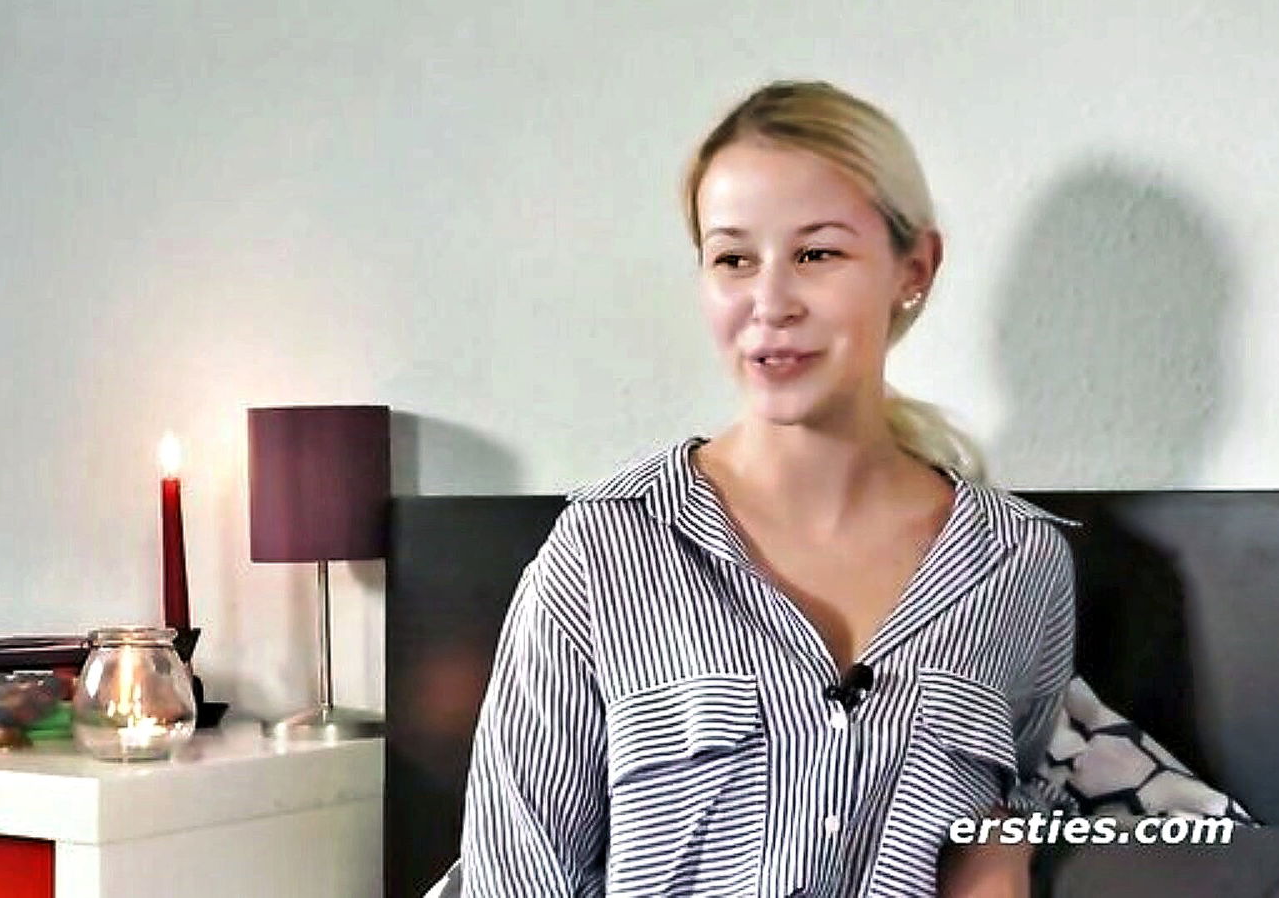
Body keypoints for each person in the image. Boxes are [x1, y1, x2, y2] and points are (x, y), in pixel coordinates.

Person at [449, 80, 1078, 897]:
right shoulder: (602, 552)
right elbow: (516, 876)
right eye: (734, 259)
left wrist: (1003, 847)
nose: (770, 304)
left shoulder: (1020, 564)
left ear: (913, 268)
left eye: (817, 254)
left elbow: (1005, 809)